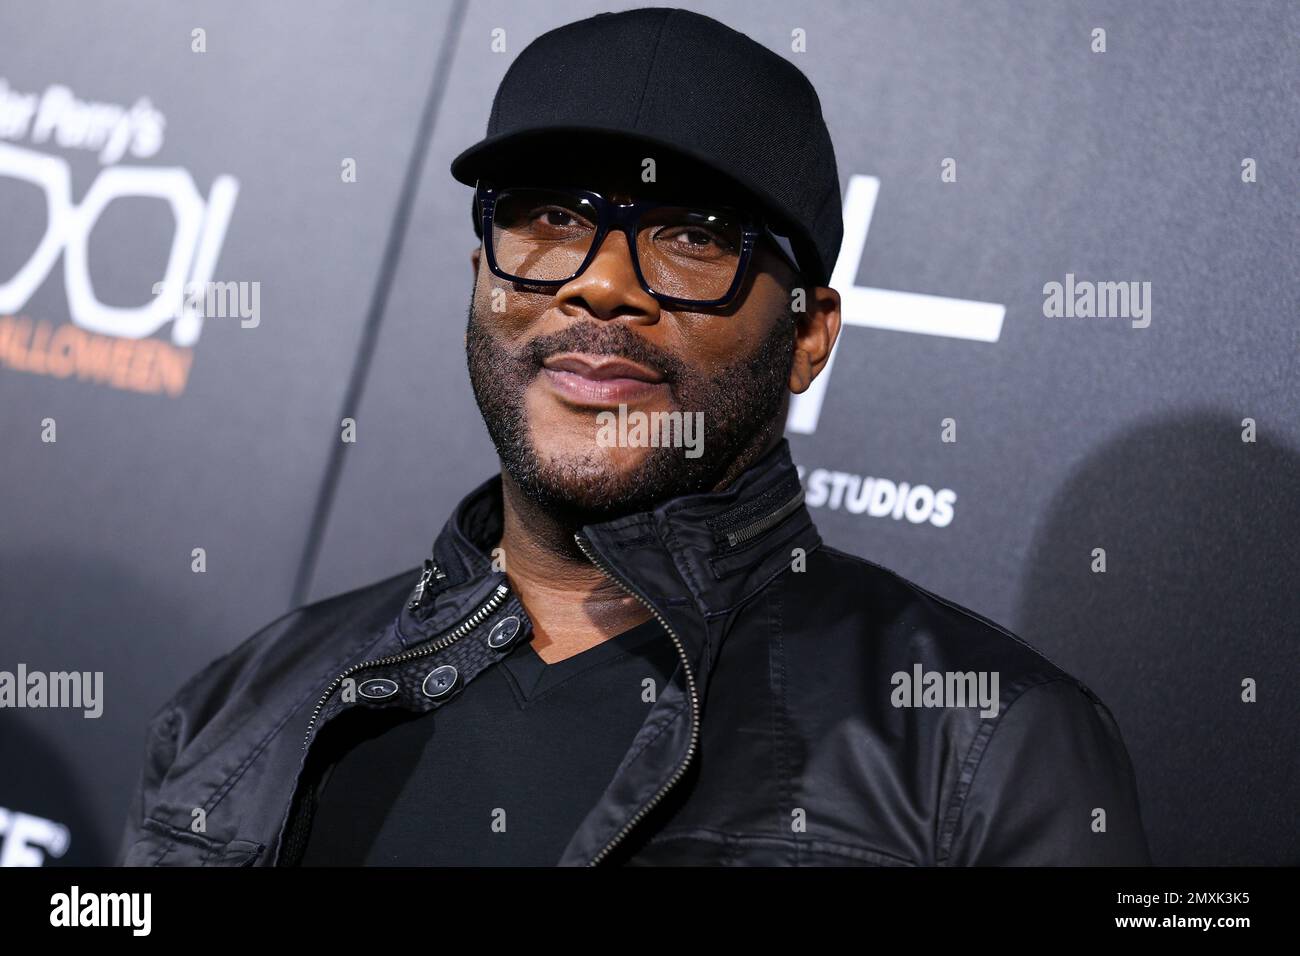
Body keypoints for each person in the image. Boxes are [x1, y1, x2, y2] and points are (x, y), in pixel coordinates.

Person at [118, 7, 1149, 867]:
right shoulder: (246, 704)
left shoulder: (984, 743)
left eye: (694, 237)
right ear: (479, 281)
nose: (599, 281)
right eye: (549, 218)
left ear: (807, 335)